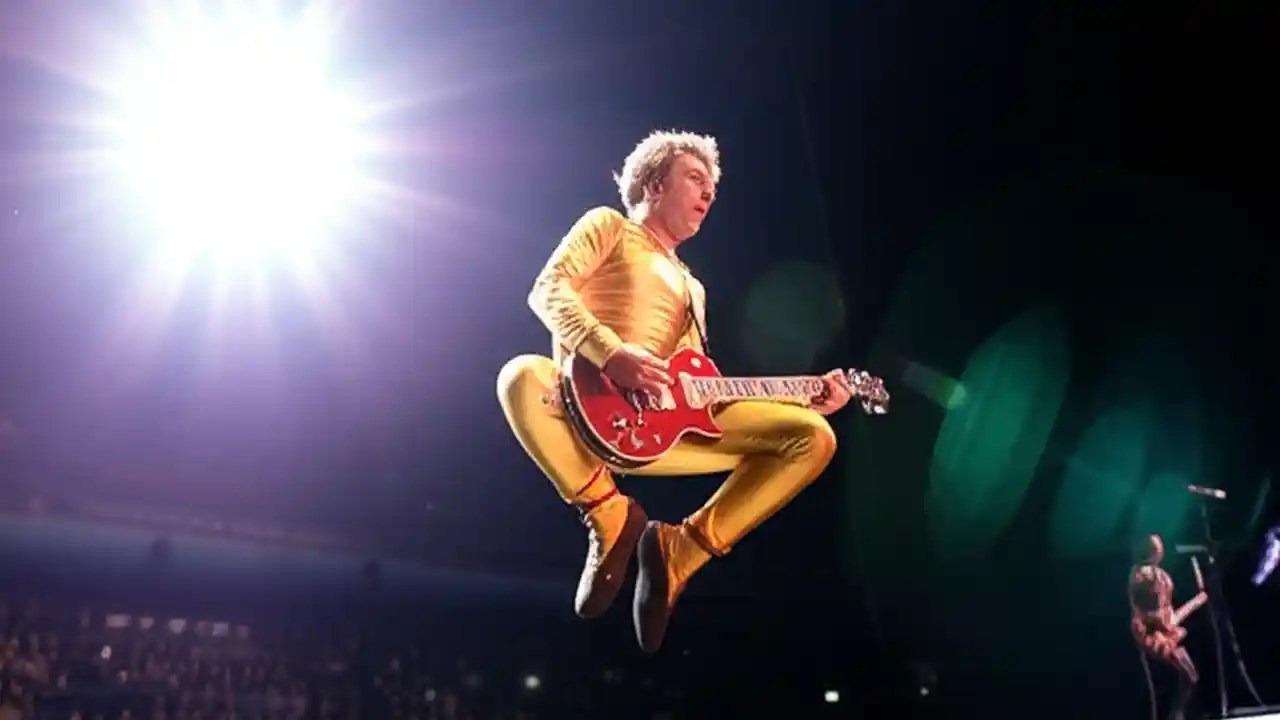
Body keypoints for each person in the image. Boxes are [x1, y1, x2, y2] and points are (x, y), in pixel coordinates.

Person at [496, 129, 854, 653]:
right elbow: (548, 289)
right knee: (520, 377)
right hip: (579, 409)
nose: (709, 193)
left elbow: (701, 388)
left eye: (713, 185)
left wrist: (802, 395)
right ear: (654, 183)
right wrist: (612, 353)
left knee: (812, 437)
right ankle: (607, 512)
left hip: (660, 427)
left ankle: (679, 551)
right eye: (695, 178)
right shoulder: (608, 226)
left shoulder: (695, 287)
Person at [1129, 533, 1202, 720]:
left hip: (1163, 632)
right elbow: (1161, 620)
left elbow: (1166, 616)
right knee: (1185, 675)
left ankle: (1176, 713)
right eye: (1157, 546)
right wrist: (1194, 604)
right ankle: (1174, 714)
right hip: (1154, 635)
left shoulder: (1154, 574)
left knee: (1190, 676)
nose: (1161, 549)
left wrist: (1196, 602)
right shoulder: (1146, 576)